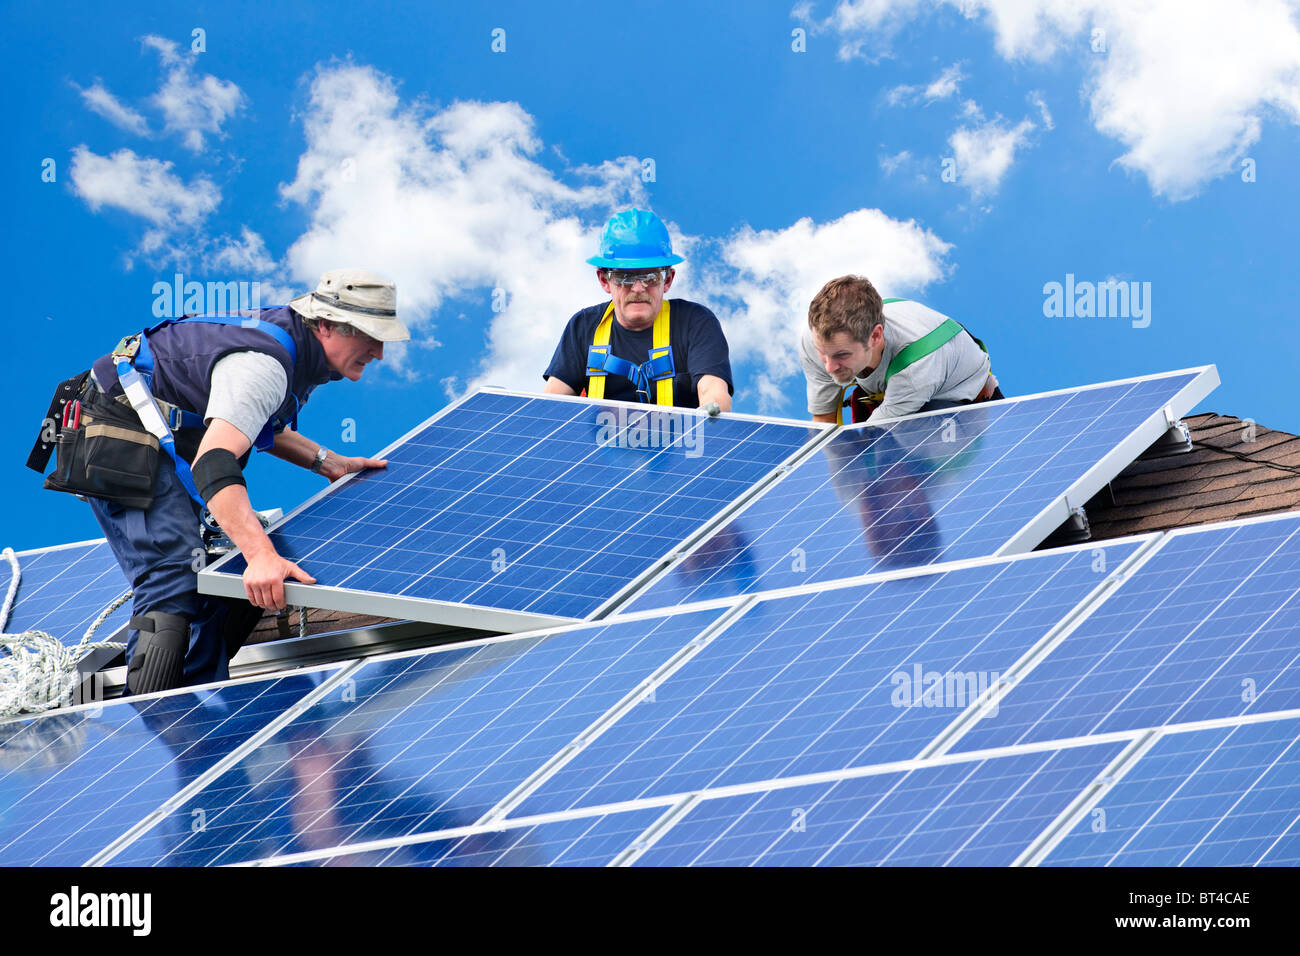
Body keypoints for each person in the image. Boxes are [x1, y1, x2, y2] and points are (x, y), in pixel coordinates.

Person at [37, 269, 408, 695]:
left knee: (220, 576)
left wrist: (327, 462)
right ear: (325, 325)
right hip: (115, 430)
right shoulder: (264, 365)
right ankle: (153, 717)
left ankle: (196, 709)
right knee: (174, 571)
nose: (378, 351)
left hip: (155, 431)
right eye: (368, 335)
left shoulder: (295, 354)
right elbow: (214, 461)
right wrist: (260, 555)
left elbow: (252, 421)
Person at [544, 209, 733, 412]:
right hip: (600, 442)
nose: (638, 288)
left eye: (650, 277)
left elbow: (713, 390)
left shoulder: (695, 323)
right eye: (625, 277)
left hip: (679, 442)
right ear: (604, 280)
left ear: (667, 280)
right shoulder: (583, 326)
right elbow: (551, 403)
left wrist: (713, 412)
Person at [800, 275, 1002, 423]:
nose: (829, 367)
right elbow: (823, 419)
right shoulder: (815, 340)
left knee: (911, 446)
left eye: (842, 355)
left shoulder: (915, 369)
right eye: (822, 353)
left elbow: (871, 443)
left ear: (876, 336)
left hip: (962, 399)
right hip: (897, 388)